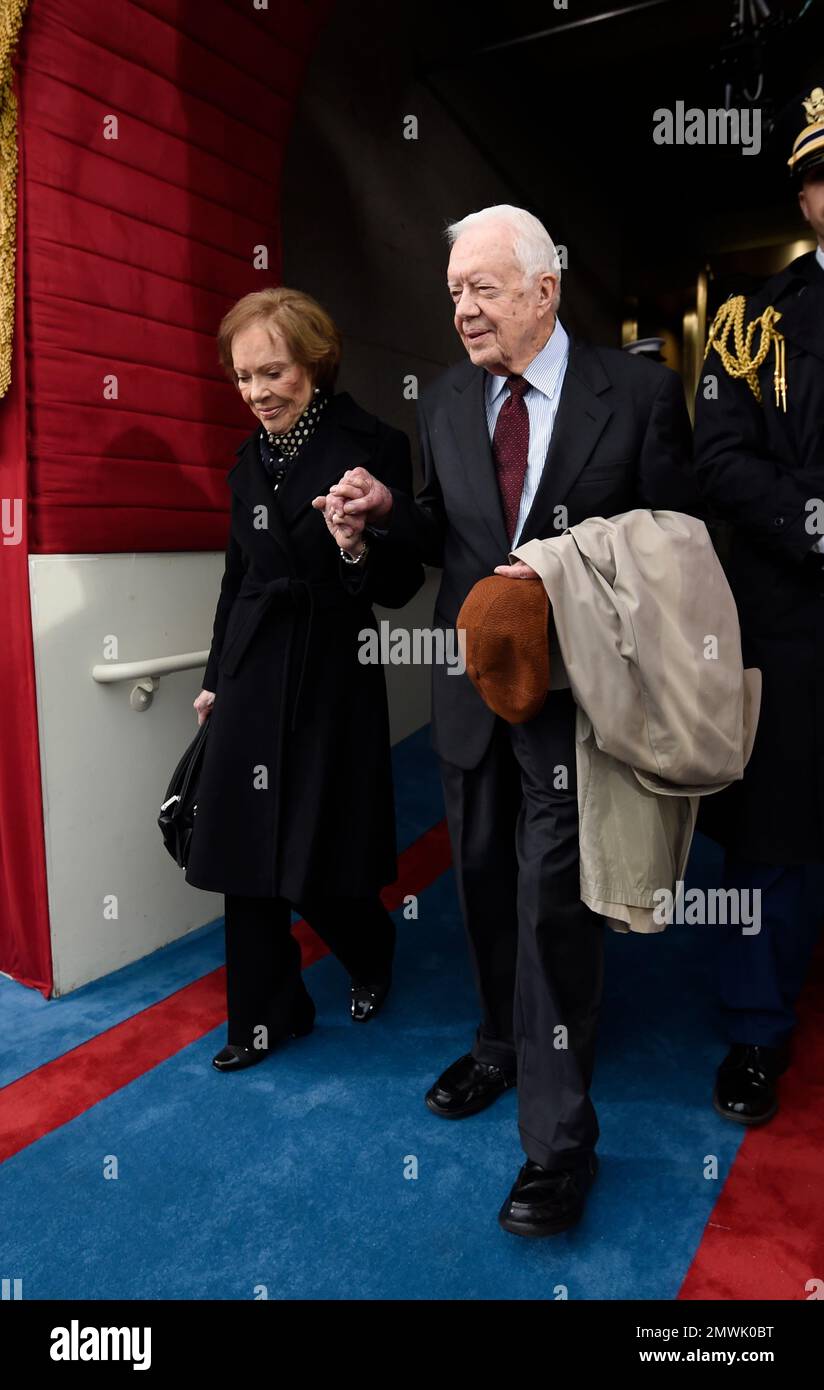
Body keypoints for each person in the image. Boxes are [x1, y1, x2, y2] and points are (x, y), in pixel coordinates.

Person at [315, 205, 697, 1236]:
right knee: (481, 883)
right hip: (469, 693)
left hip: (577, 703)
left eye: (481, 289)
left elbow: (673, 545)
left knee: (552, 908)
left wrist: (565, 573)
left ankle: (557, 1145)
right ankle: (496, 1040)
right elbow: (434, 549)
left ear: (544, 288)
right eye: (452, 296)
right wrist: (373, 526)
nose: (463, 311)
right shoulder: (442, 403)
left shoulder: (641, 393)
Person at [185, 287, 424, 1071]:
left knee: (323, 848)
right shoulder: (245, 462)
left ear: (316, 363)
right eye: (243, 377)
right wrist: (218, 676)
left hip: (332, 666)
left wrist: (357, 544)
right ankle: (265, 1015)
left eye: (273, 371)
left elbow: (396, 584)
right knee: (246, 853)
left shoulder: (376, 443)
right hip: (254, 668)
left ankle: (371, 948)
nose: (257, 393)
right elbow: (236, 581)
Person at [693, 85, 824, 1125]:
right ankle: (753, 1031)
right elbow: (721, 462)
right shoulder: (748, 322)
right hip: (788, 620)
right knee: (772, 837)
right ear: (803, 194)